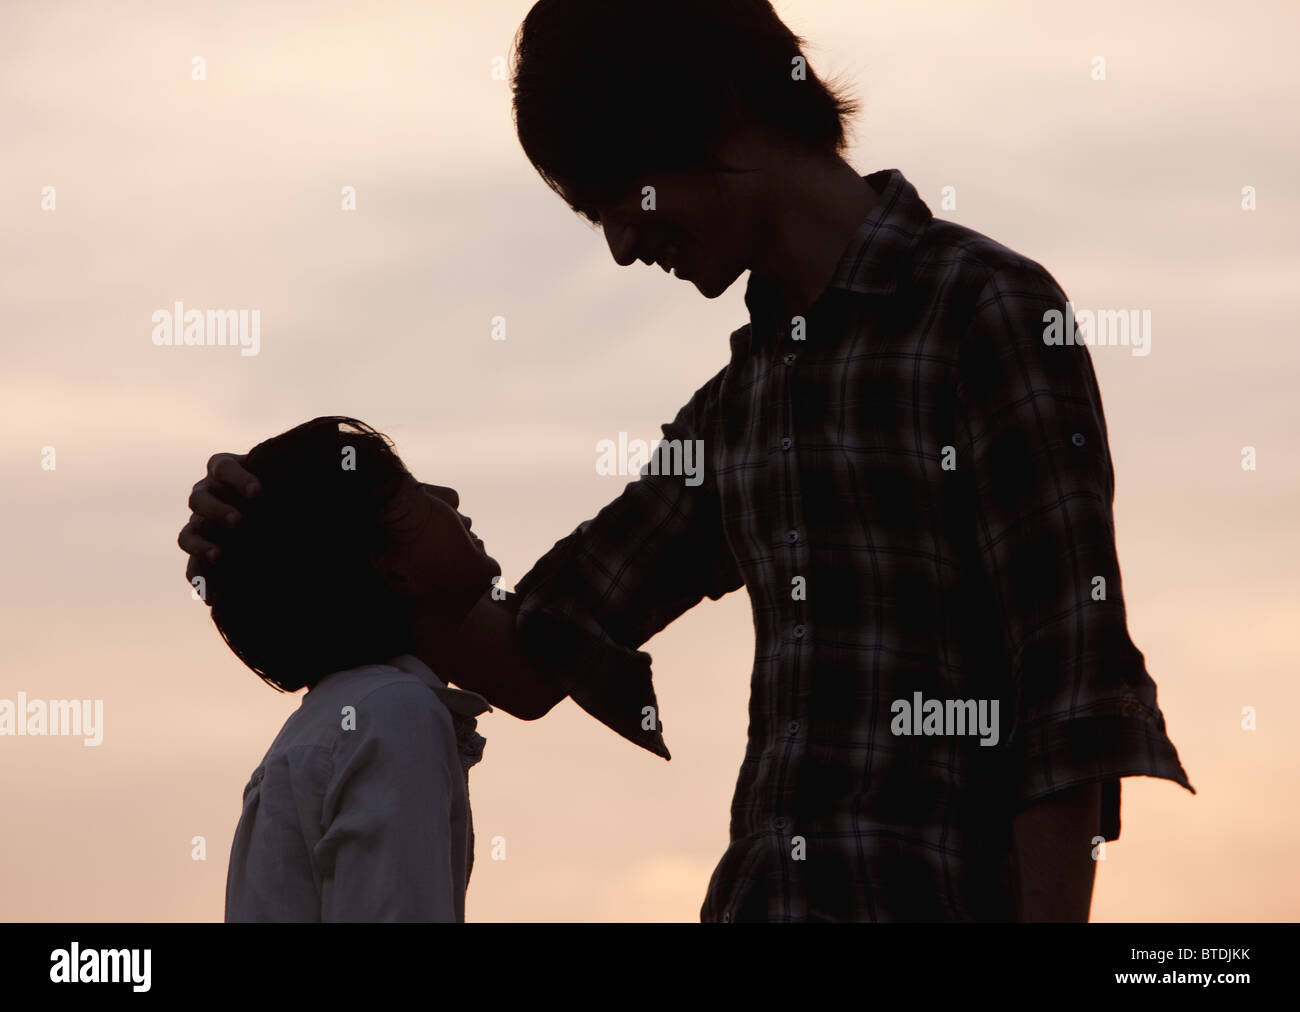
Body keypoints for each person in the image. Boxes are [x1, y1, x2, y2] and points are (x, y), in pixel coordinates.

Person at [181, 1, 1194, 921]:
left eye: (617, 196)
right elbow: (533, 653)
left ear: (715, 114)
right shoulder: (741, 408)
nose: (622, 246)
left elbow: (1069, 692)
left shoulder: (987, 314)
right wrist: (279, 531)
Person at [209, 416, 502, 922]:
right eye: (415, 492)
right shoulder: (393, 714)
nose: (450, 496)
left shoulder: (349, 714)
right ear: (388, 565)